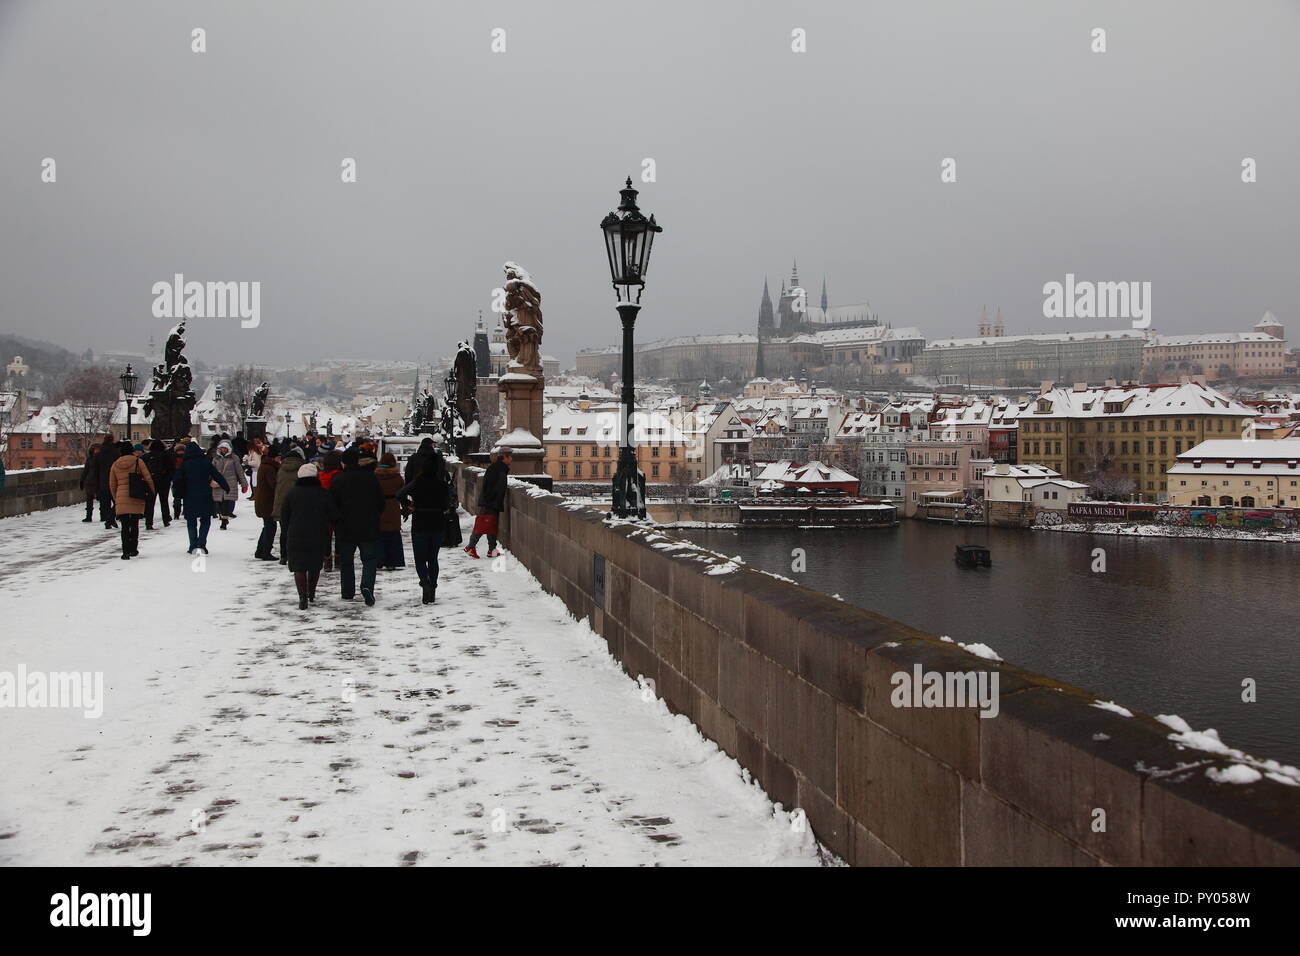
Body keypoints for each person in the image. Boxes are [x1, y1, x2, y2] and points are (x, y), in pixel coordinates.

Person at [330, 445, 384, 605]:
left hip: (345, 526)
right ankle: (367, 585)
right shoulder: (370, 477)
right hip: (368, 525)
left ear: (343, 463)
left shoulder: (338, 479)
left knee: (347, 560)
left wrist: (336, 521)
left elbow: (332, 504)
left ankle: (347, 591)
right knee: (369, 559)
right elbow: (380, 502)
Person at [281, 462, 339, 610]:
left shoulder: (291, 493)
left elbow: (284, 516)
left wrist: (287, 531)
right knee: (314, 565)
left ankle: (302, 597)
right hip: (318, 533)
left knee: (299, 567)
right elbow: (333, 514)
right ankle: (311, 593)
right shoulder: (323, 493)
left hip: (296, 533)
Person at [398, 450, 450, 604]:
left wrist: (409, 505)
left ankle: (425, 582)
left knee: (420, 559)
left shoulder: (417, 483)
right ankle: (432, 587)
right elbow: (447, 504)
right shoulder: (441, 485)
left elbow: (399, 494)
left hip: (420, 522)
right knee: (433, 558)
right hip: (437, 522)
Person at [173, 441, 230, 554]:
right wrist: (225, 486)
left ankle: (193, 546)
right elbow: (216, 475)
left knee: (191, 522)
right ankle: (202, 544)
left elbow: (177, 480)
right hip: (205, 494)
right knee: (205, 520)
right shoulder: (206, 462)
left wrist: (178, 494)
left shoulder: (185, 464)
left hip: (189, 495)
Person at [108, 441, 155, 559]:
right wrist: (152, 491)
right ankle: (133, 548)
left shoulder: (115, 464)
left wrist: (116, 498)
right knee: (134, 524)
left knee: (124, 526)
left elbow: (112, 484)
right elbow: (147, 477)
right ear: (132, 450)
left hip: (121, 496)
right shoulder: (138, 461)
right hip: (136, 495)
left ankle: (125, 551)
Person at [465, 448, 510, 559]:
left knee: (491, 525)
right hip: (490, 502)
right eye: (510, 456)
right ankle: (470, 546)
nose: (512, 459)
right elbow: (495, 487)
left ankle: (492, 550)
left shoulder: (496, 467)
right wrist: (492, 501)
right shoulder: (499, 469)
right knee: (484, 525)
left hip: (490, 501)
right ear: (505, 457)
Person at [272, 445, 306, 564]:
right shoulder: (301, 469)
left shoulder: (281, 469)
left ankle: (283, 556)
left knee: (284, 532)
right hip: (297, 504)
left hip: (282, 505)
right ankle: (295, 555)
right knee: (298, 532)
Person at [376, 452, 406, 571]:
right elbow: (402, 492)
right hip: (393, 506)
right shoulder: (397, 477)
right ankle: (392, 561)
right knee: (393, 534)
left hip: (379, 506)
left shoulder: (376, 476)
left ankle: (379, 560)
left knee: (380, 534)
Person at [210, 440, 248, 531]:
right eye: (222, 448)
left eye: (225, 448)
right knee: (219, 503)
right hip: (218, 483)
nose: (223, 450)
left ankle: (224, 522)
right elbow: (211, 470)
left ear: (228, 449)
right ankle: (224, 518)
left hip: (230, 483)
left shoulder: (234, 458)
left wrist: (244, 484)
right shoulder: (216, 459)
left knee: (226, 503)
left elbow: (239, 471)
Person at [317, 449, 343, 572]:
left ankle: (327, 560)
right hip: (338, 508)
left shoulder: (320, 476)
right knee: (339, 535)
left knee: (326, 536)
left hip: (323, 510)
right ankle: (338, 558)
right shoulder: (339, 475)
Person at [253, 446, 281, 560]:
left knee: (267, 526)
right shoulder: (269, 468)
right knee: (270, 527)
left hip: (263, 501)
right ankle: (265, 552)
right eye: (279, 458)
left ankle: (260, 550)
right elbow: (274, 485)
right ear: (275, 458)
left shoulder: (265, 466)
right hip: (267, 503)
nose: (280, 460)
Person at [143, 438, 175, 530]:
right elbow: (171, 469)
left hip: (150, 482)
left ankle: (148, 522)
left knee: (150, 502)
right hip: (164, 482)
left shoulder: (146, 457)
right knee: (164, 501)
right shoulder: (166, 456)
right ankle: (166, 519)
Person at [95, 437, 121, 528]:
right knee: (117, 502)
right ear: (112, 441)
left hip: (103, 481)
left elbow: (96, 470)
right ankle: (111, 518)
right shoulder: (116, 453)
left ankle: (107, 519)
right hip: (115, 480)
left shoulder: (98, 454)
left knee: (105, 503)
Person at [79, 440, 101, 522]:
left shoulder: (101, 458)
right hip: (90, 481)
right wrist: (82, 480)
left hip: (99, 481)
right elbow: (86, 470)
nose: (96, 451)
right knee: (89, 499)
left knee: (102, 499)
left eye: (98, 449)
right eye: (95, 449)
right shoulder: (90, 459)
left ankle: (104, 515)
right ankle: (88, 516)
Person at [171, 440, 187, 518]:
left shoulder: (173, 458)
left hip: (176, 480)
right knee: (186, 497)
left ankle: (176, 514)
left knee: (177, 497)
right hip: (186, 480)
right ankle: (185, 511)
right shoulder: (187, 458)